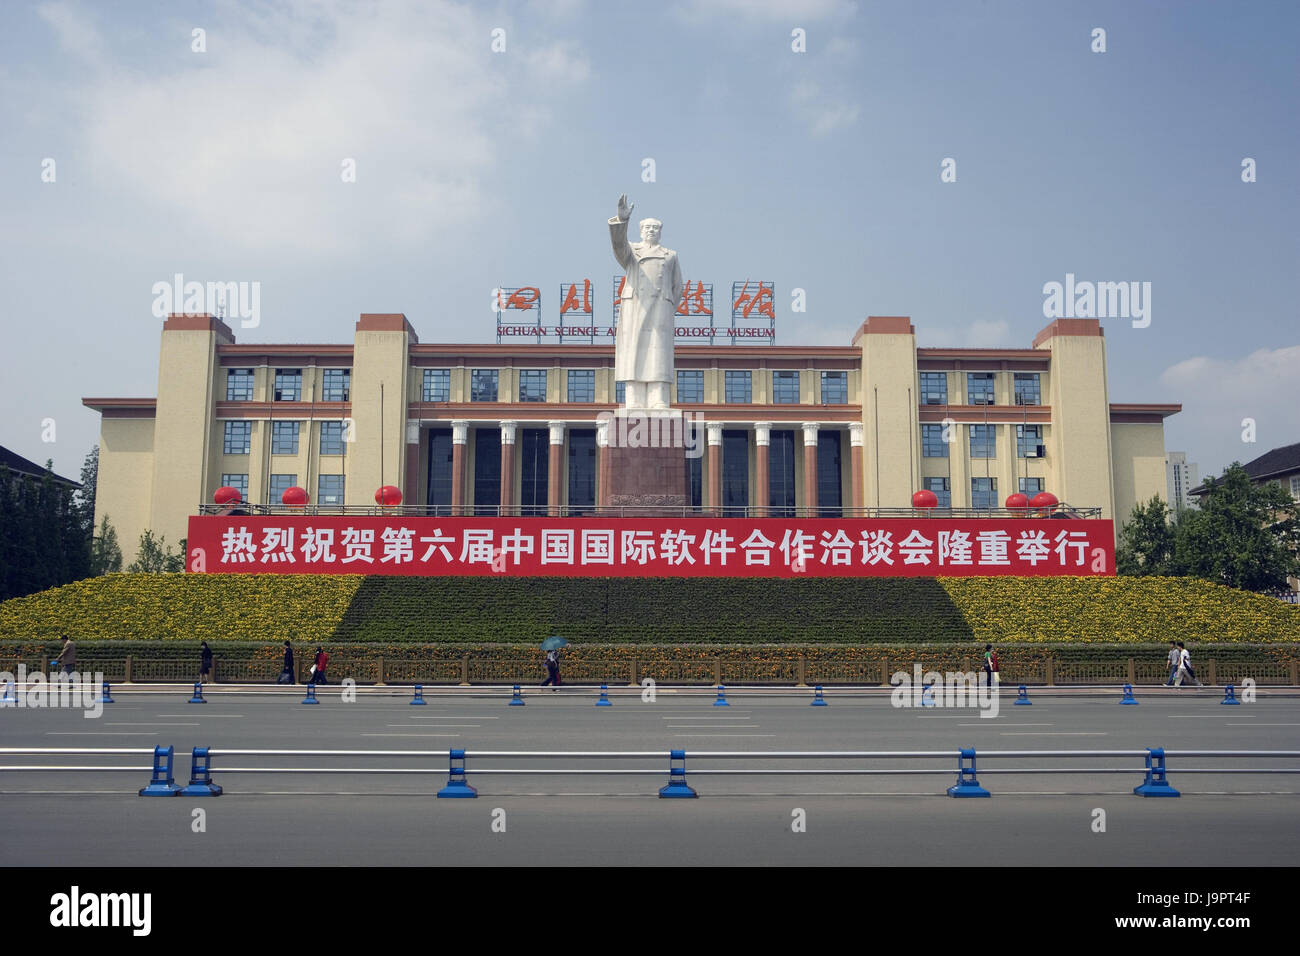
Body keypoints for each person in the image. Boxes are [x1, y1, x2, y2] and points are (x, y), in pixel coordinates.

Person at [608, 193, 684, 410]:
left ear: (660, 232)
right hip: (636, 307)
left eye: (655, 228)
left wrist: (667, 306)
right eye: (647, 228)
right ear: (640, 231)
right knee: (634, 350)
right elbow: (618, 247)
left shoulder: (670, 255)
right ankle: (634, 398)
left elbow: (678, 286)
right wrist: (622, 221)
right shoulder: (632, 251)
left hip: (660, 309)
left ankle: (658, 397)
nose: (651, 231)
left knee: (658, 352)